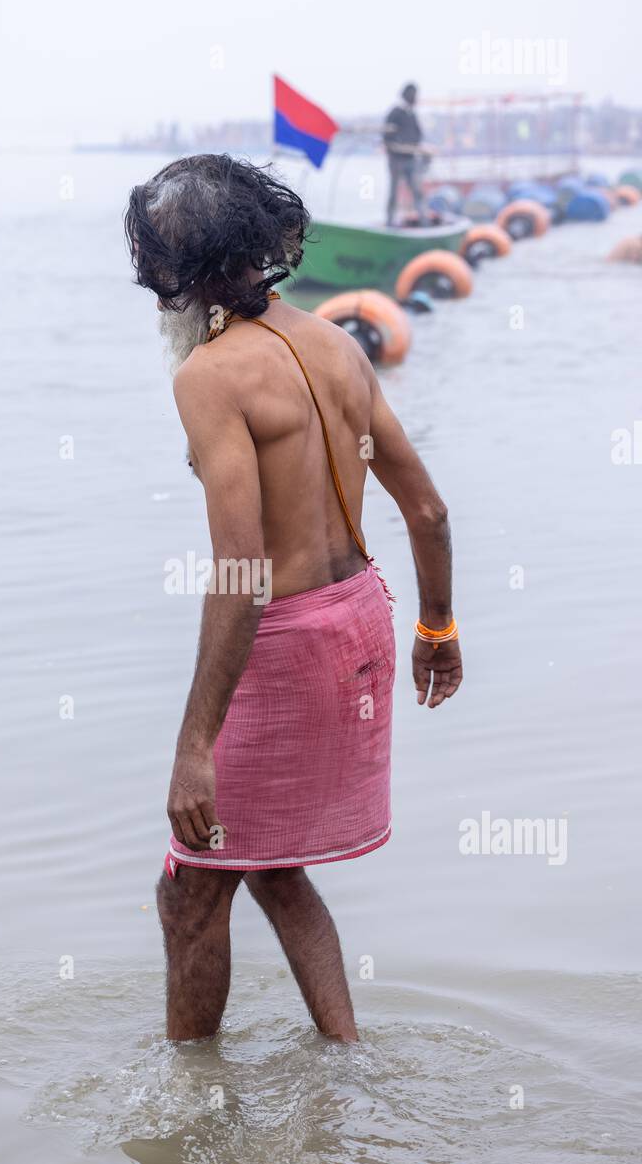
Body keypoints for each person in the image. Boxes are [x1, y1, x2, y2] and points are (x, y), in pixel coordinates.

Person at [124, 155, 462, 1043]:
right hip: (360, 619)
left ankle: (190, 1117)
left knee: (190, 885)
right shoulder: (337, 343)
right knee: (270, 866)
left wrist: (194, 746)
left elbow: (241, 575)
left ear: (174, 278)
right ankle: (347, 1062)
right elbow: (425, 509)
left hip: (282, 643)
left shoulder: (210, 376)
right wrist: (438, 627)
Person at [382, 82, 430, 226]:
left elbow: (418, 134)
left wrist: (417, 148)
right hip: (396, 160)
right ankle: (390, 223)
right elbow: (387, 135)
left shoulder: (411, 114)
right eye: (414, 95)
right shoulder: (395, 113)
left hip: (410, 159)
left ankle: (424, 222)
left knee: (417, 191)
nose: (416, 98)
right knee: (394, 192)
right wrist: (396, 147)